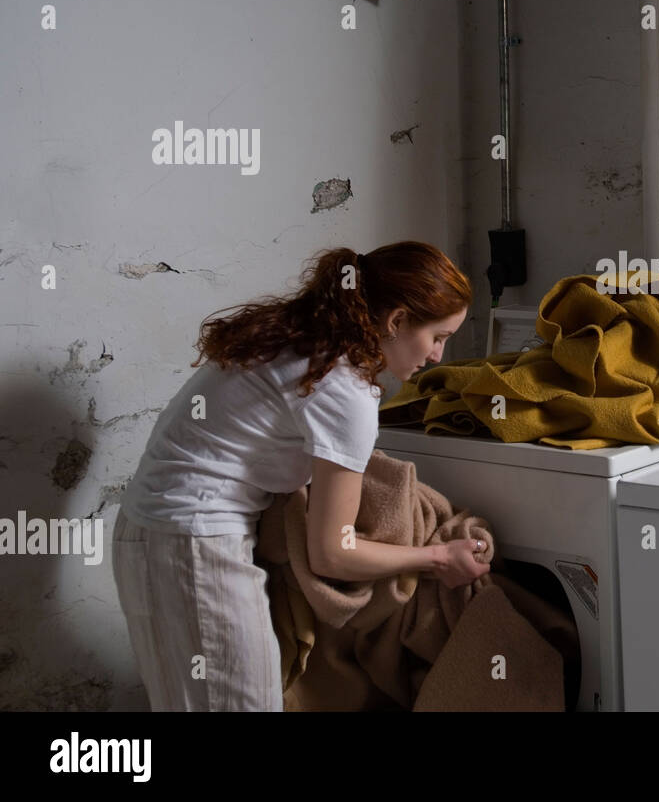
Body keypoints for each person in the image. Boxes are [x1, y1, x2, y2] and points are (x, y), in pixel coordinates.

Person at [111, 241, 489, 711]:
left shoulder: (296, 342)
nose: (437, 356)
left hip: (146, 534)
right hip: (195, 546)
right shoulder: (345, 390)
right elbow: (333, 553)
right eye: (438, 336)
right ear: (396, 321)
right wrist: (436, 557)